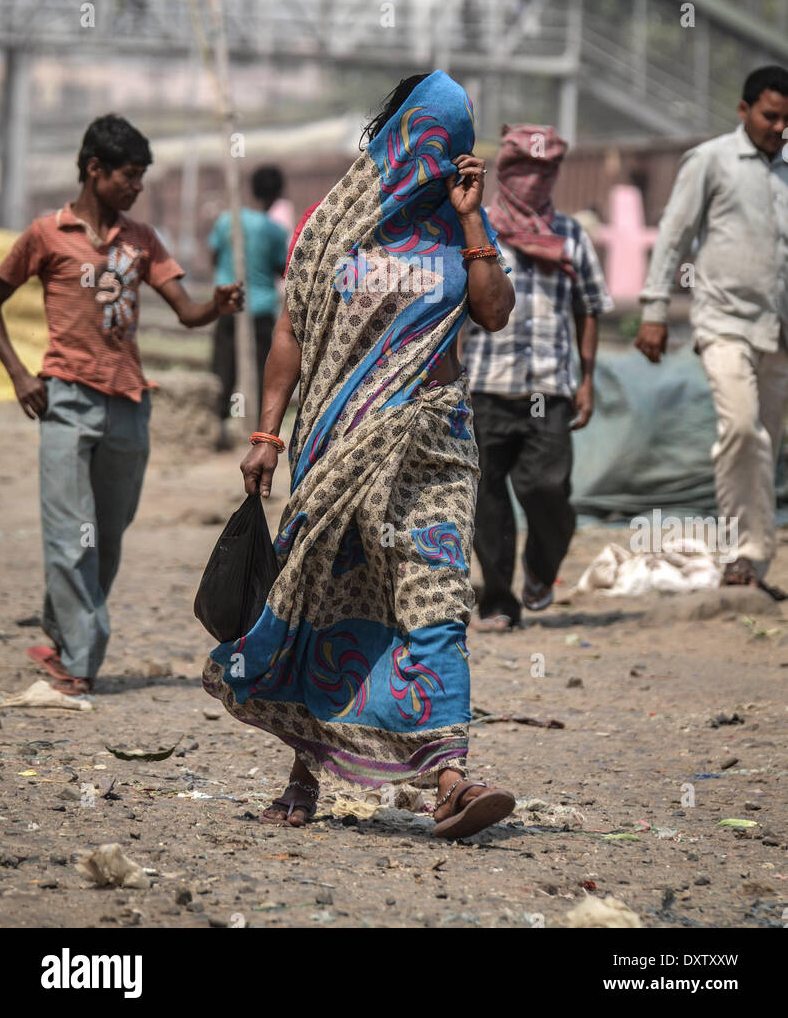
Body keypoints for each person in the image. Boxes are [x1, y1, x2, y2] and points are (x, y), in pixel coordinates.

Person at [203, 70, 519, 840]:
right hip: (338, 448)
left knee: (435, 603)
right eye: (433, 140)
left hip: (434, 444)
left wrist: (473, 222)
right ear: (400, 136)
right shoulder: (332, 224)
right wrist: (267, 435)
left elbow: (493, 311)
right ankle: (304, 775)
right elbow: (291, 334)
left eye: (458, 144)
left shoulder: (458, 222)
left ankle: (449, 778)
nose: (444, 158)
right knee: (326, 604)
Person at [0, 115, 243, 696]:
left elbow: (185, 311)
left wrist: (217, 305)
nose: (137, 187)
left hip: (129, 405)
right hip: (67, 399)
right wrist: (18, 374)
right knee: (69, 532)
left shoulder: (141, 240)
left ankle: (62, 631)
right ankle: (81, 660)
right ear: (94, 170)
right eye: (129, 176)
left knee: (106, 531)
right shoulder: (46, 235)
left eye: (142, 178)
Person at [635, 66, 788, 598]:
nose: (779, 127)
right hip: (725, 322)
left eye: (787, 119)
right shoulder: (711, 161)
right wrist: (654, 309)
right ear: (745, 111)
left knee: (766, 443)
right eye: (771, 116)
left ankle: (753, 562)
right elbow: (673, 237)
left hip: (780, 332)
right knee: (743, 430)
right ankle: (746, 553)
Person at [462, 124, 613, 631]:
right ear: (506, 172)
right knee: (487, 499)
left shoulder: (570, 235)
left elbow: (589, 305)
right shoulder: (478, 228)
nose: (535, 179)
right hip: (484, 386)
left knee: (548, 489)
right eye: (525, 169)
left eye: (545, 170)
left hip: (548, 389)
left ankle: (542, 572)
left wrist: (586, 379)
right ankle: (500, 601)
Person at [209, 165, 288, 447]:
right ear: (278, 194)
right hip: (260, 309)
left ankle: (219, 427)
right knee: (261, 370)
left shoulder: (227, 221)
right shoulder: (275, 231)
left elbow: (214, 256)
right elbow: (283, 269)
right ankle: (259, 432)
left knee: (222, 367)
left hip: (228, 304)